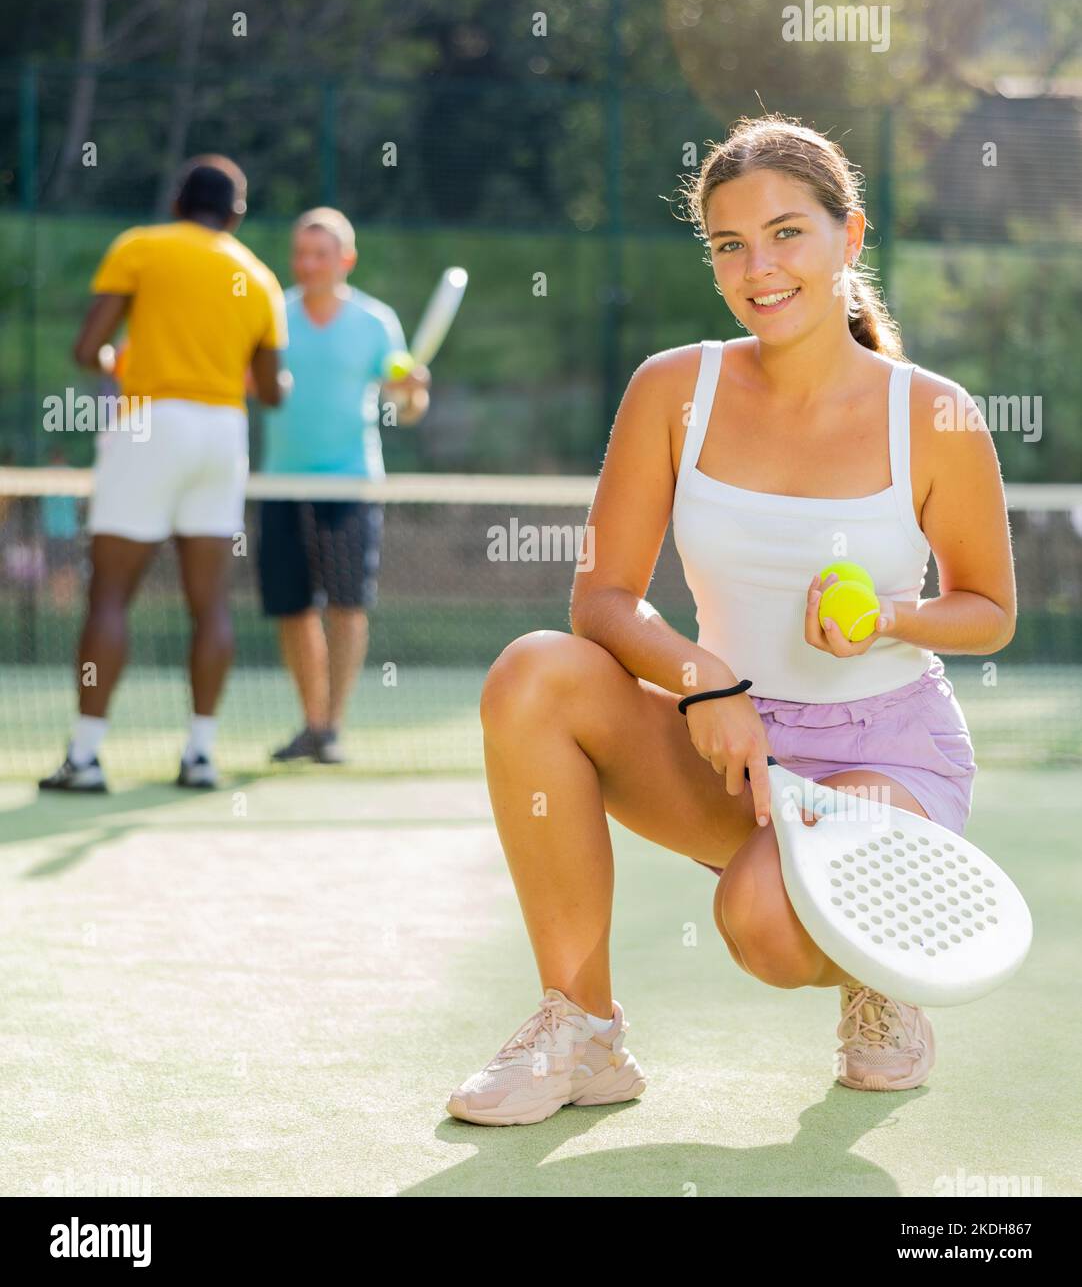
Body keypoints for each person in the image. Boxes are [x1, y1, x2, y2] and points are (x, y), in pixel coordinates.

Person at [446, 114, 1016, 1125]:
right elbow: (602, 600)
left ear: (849, 236)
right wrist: (701, 678)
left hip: (882, 761)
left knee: (762, 925)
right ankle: (581, 1030)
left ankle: (871, 973)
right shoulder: (673, 388)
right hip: (727, 752)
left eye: (787, 232)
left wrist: (892, 617)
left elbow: (987, 612)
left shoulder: (934, 413)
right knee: (532, 671)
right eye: (728, 244)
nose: (759, 266)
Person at [39, 155, 287, 793]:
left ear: (178, 203)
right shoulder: (257, 276)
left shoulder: (141, 247)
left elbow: (85, 347)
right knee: (210, 605)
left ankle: (86, 759)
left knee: (111, 593)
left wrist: (118, 363)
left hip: (149, 423)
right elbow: (273, 390)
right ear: (235, 213)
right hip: (222, 435)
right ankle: (201, 755)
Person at [257, 207, 430, 764]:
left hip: (351, 484)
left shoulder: (376, 323)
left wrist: (412, 389)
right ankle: (312, 723)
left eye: (320, 254)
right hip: (280, 485)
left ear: (345, 260)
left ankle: (331, 725)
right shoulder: (273, 314)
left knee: (347, 605)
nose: (308, 264)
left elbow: (407, 408)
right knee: (292, 608)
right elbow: (251, 383)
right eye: (300, 254)